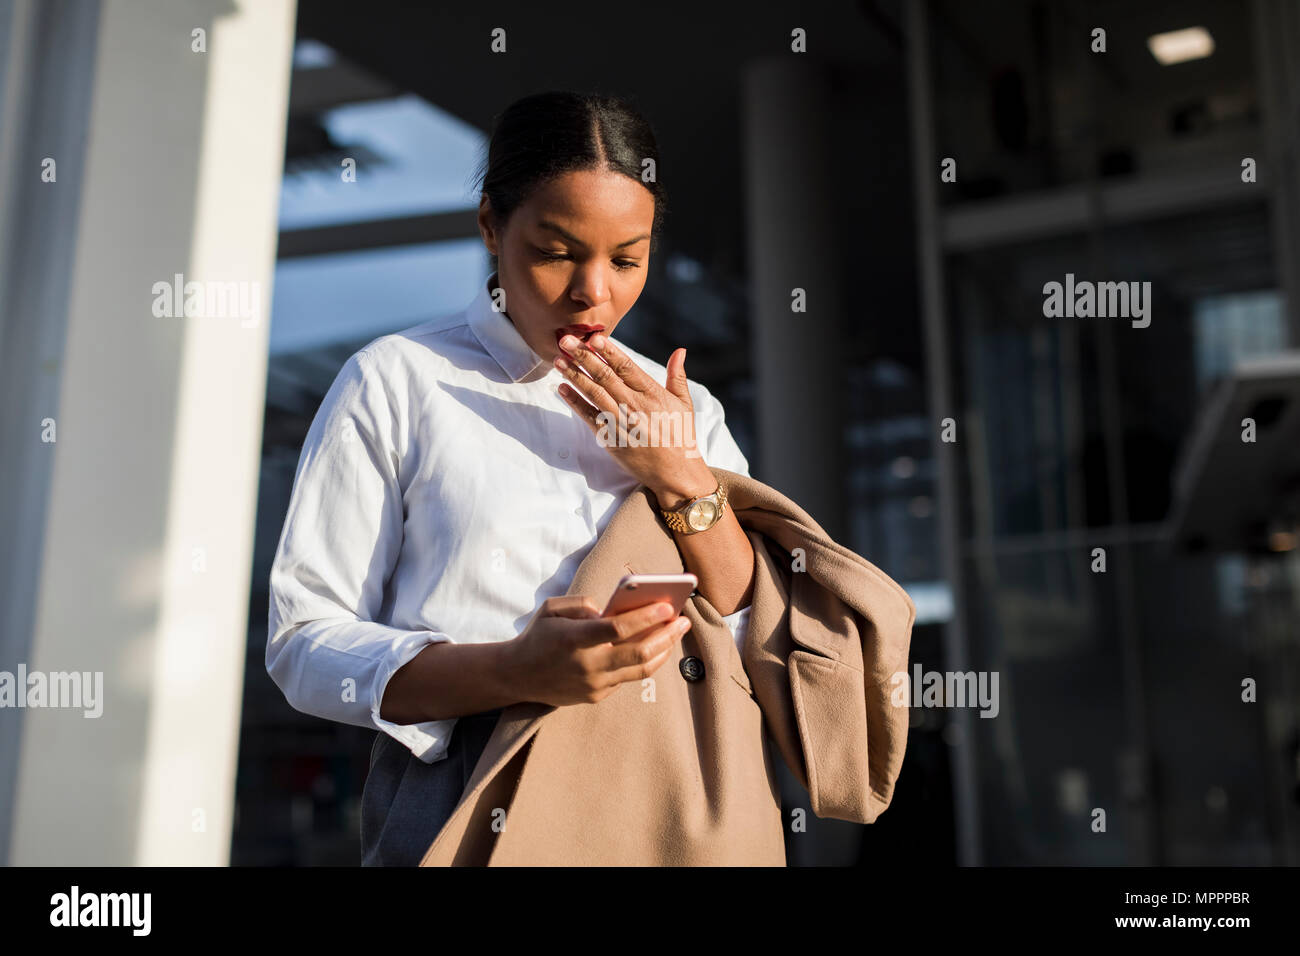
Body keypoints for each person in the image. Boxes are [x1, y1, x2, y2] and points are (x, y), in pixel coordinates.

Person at [265, 90, 759, 866]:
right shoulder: (399, 381)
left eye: (628, 259)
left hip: (664, 791)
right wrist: (510, 669)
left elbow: (752, 625)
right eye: (558, 250)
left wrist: (680, 473)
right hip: (466, 785)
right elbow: (303, 644)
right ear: (492, 225)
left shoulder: (686, 409)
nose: (594, 291)